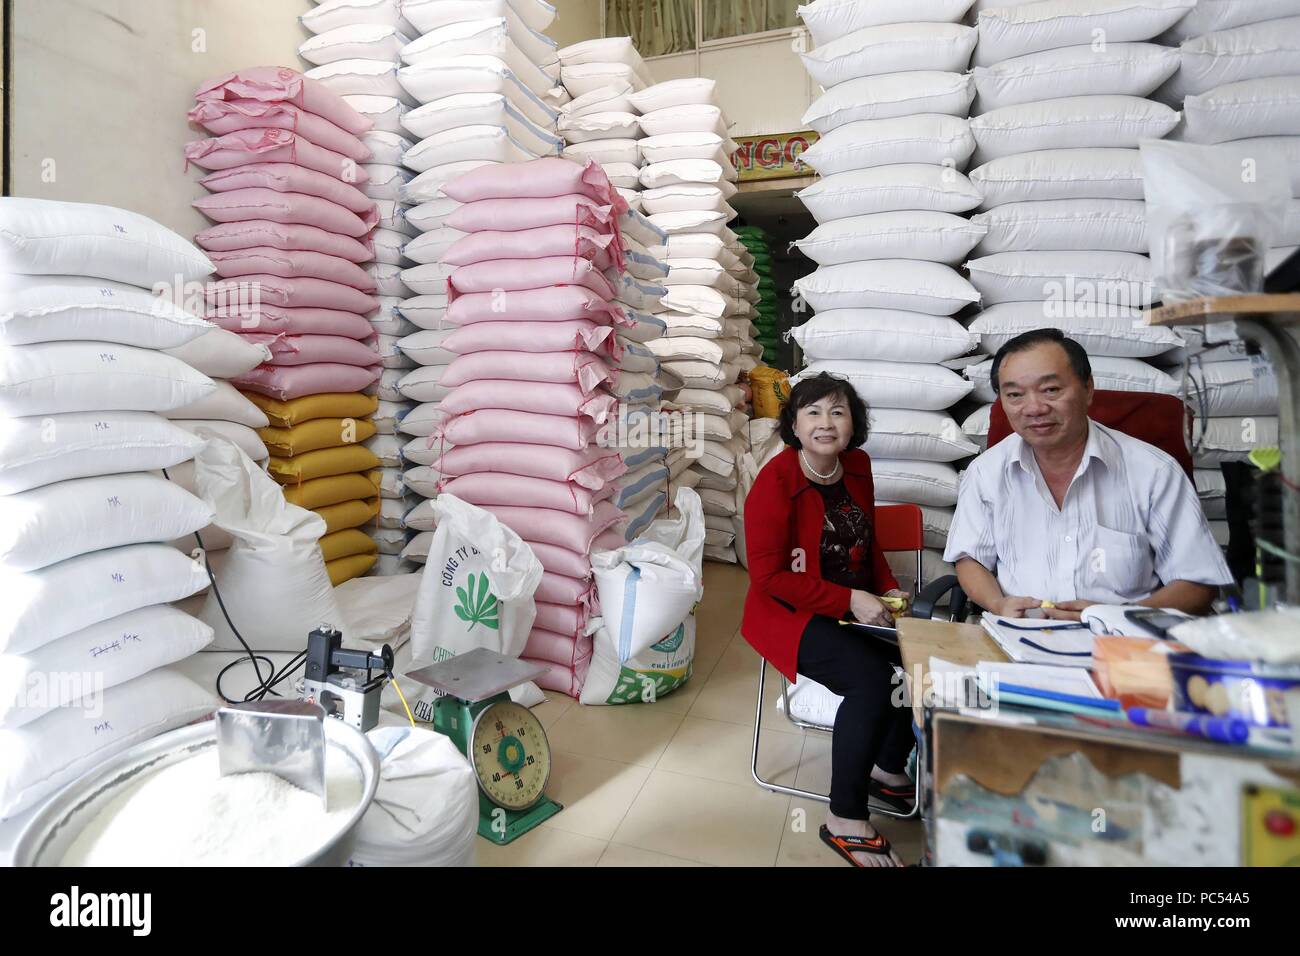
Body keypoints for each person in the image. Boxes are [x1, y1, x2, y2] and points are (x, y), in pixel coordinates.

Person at [742, 373, 915, 867]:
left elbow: (869, 542)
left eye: (837, 412)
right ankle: (844, 817)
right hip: (790, 614)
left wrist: (885, 589)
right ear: (793, 424)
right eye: (812, 412)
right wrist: (849, 600)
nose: (825, 423)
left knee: (919, 658)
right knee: (871, 680)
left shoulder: (857, 466)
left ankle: (886, 768)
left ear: (853, 425)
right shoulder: (774, 483)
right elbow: (769, 577)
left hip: (853, 603)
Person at [945, 329, 1233, 620]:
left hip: (1125, 644)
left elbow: (1198, 583)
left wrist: (1112, 617)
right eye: (1015, 395)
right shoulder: (986, 472)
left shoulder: (1154, 472)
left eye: (1051, 390)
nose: (1034, 408)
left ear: (1088, 389)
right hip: (1017, 637)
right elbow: (970, 558)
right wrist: (997, 604)